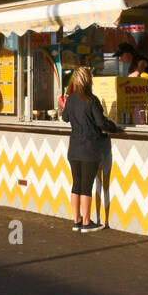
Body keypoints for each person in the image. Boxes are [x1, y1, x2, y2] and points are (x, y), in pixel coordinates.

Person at [59, 65, 120, 232]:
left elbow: (65, 118)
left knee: (76, 184)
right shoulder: (92, 100)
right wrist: (114, 127)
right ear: (88, 81)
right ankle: (86, 222)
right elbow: (101, 123)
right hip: (90, 148)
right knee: (87, 185)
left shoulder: (71, 99)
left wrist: (63, 106)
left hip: (74, 149)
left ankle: (76, 220)